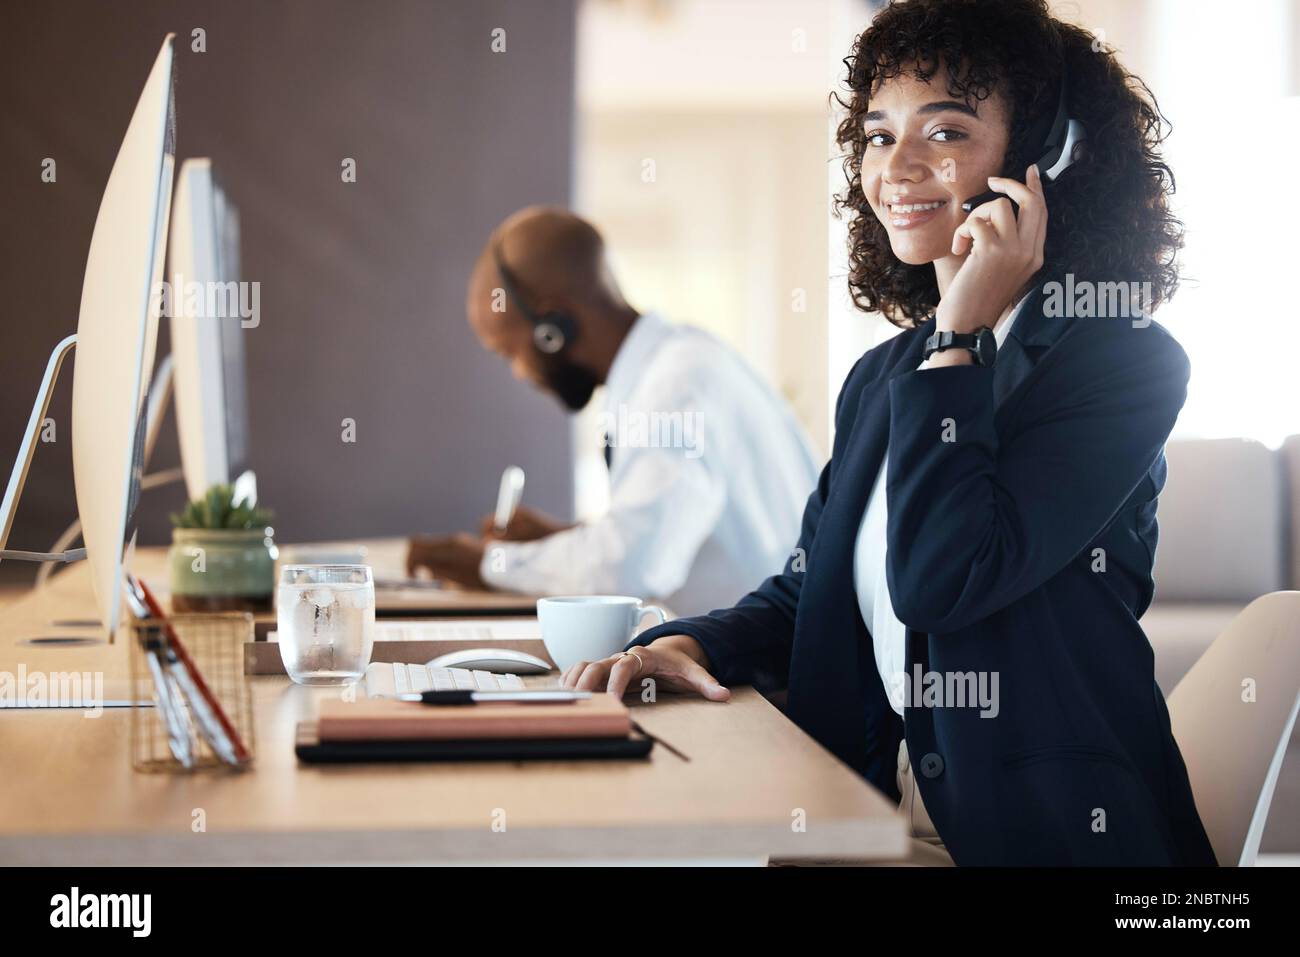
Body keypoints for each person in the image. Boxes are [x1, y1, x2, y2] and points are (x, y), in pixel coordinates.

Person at [562, 0, 1218, 867]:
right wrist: (689, 641)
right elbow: (811, 585)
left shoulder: (1123, 362)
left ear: (1047, 160)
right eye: (877, 135)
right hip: (869, 803)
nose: (897, 167)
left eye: (944, 131)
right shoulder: (886, 378)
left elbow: (945, 578)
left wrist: (958, 338)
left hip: (1043, 837)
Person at [406, 207, 820, 618]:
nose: (517, 373)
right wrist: (565, 539)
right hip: (764, 649)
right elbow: (672, 534)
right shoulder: (683, 360)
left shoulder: (674, 388)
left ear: (552, 329)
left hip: (772, 677)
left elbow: (631, 568)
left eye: (508, 353)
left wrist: (486, 564)